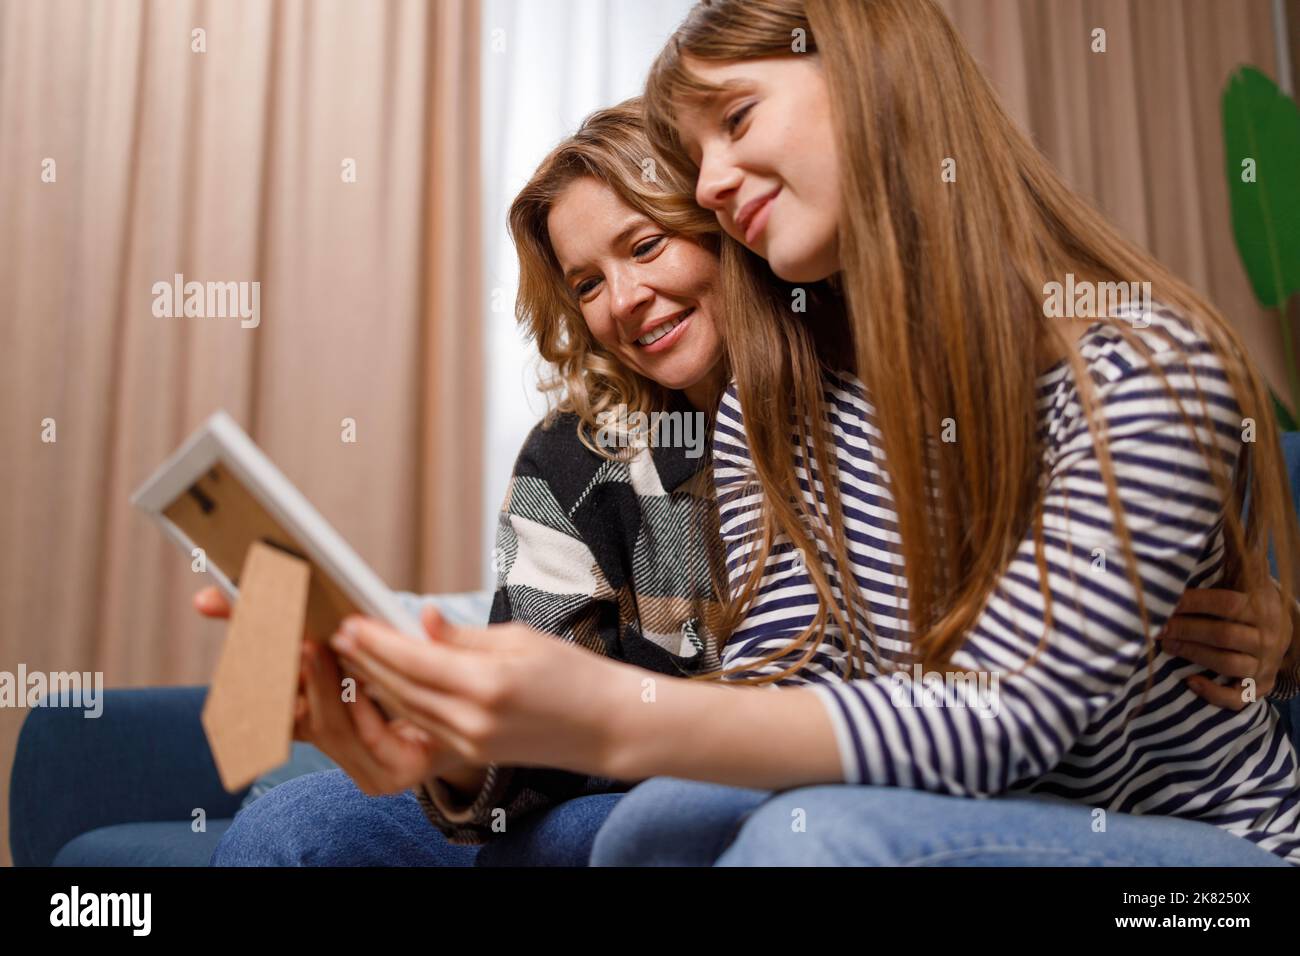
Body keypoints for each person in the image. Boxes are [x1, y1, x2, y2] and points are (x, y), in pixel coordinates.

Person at [325, 0, 1300, 867]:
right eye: (585, 281)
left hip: (1185, 850)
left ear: (870, 79)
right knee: (653, 825)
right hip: (932, 802)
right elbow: (782, 669)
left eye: (736, 119)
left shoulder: (1144, 368)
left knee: (827, 839)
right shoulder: (775, 401)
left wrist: (614, 716)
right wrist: (471, 741)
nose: (711, 180)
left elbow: (1009, 716)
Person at [206, 99, 730, 865]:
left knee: (625, 832)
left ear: (723, 224)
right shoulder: (576, 454)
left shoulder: (848, 413)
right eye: (586, 284)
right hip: (606, 786)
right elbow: (530, 736)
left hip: (744, 788)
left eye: (646, 246)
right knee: (292, 827)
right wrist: (446, 741)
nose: (621, 302)